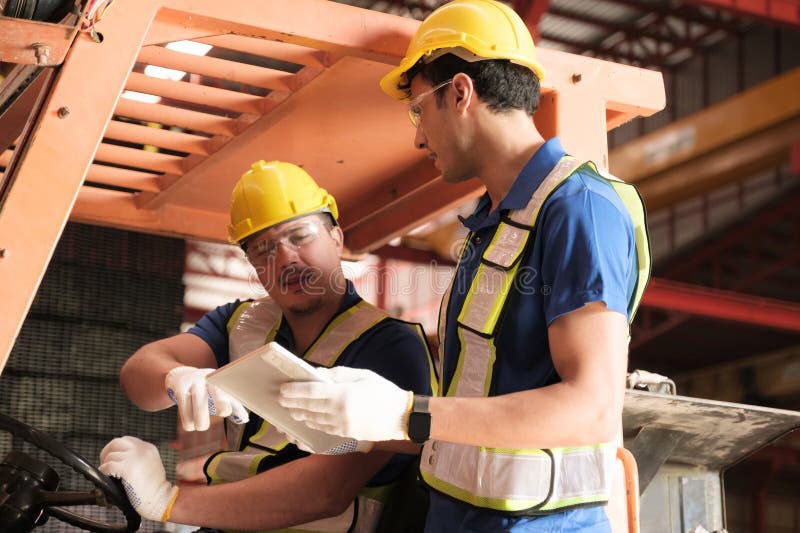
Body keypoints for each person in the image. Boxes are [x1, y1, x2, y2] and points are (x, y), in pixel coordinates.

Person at [278, 1, 652, 531]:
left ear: (459, 92)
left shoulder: (580, 208)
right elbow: (469, 412)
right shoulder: (493, 225)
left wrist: (406, 411)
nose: (417, 136)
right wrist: (340, 412)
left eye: (417, 109)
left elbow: (591, 408)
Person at [99, 160, 436, 532]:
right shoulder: (242, 323)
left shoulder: (391, 347)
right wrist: (174, 376)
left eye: (300, 236)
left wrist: (169, 502)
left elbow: (325, 491)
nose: (286, 258)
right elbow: (137, 375)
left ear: (336, 238)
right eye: (263, 249)